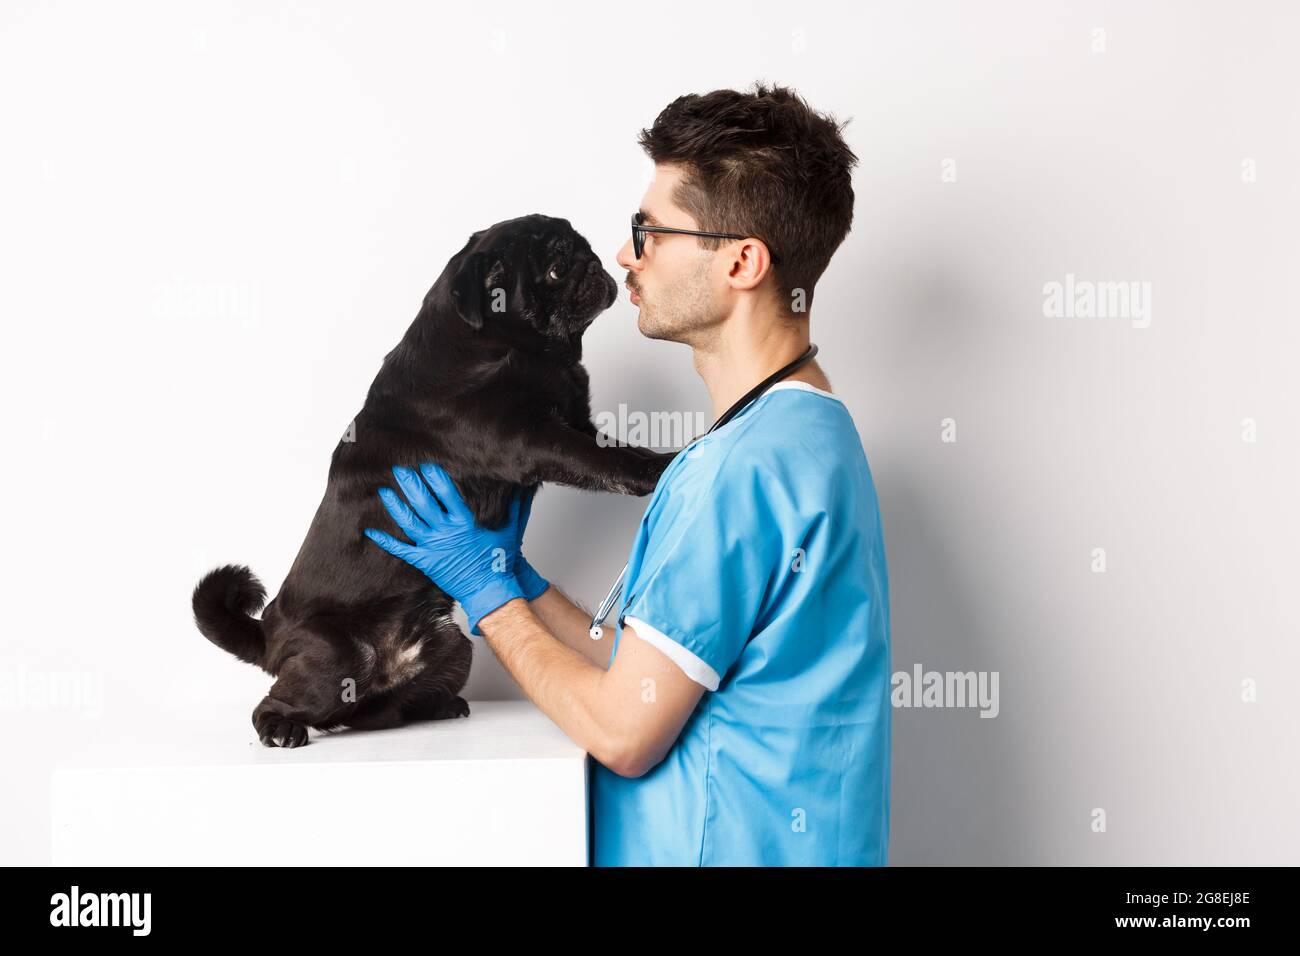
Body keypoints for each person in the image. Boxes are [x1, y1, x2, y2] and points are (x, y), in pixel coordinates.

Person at [365, 83, 891, 866]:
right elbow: (648, 669)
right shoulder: (806, 435)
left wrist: (487, 596)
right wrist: (518, 579)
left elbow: (624, 729)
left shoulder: (740, 472)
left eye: (649, 232)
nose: (624, 256)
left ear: (743, 261)